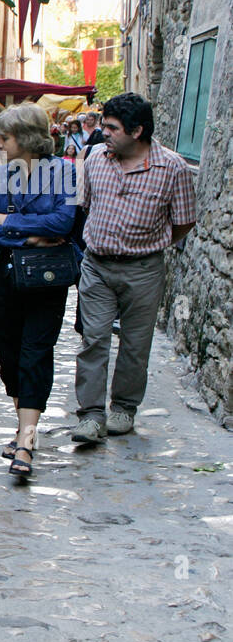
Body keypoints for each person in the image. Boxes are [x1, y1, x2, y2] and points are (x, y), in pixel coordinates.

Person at [71, 92, 197, 443]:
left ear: (137, 131)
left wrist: (148, 244)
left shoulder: (172, 168)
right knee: (93, 339)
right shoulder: (95, 158)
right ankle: (91, 416)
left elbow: (184, 222)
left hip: (143, 270)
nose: (103, 132)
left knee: (135, 344)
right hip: (96, 265)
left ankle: (124, 408)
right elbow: (88, 204)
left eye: (111, 127)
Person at [0, 103, 77, 477]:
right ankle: (23, 429)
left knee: (36, 353)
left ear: (27, 139)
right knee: (10, 356)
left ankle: (26, 442)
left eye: (5, 137)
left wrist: (9, 223)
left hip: (46, 280)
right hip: (1, 276)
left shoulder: (63, 171)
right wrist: (32, 234)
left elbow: (65, 220)